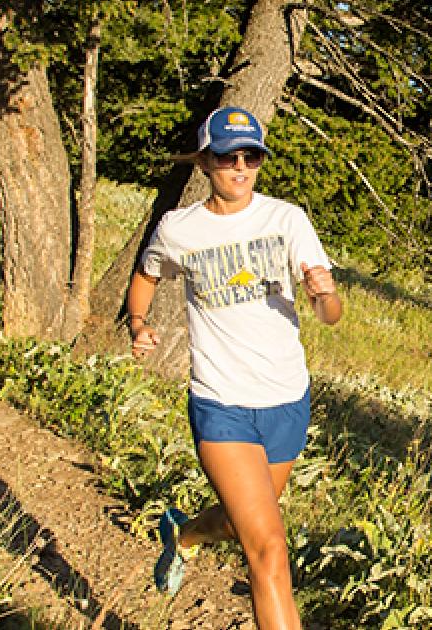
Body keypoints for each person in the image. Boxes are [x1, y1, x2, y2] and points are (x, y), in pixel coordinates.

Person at [127, 105, 341, 630]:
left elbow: (330, 315)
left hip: (287, 400)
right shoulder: (180, 229)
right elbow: (146, 275)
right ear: (206, 162)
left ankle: (182, 535)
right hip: (221, 403)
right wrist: (137, 322)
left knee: (238, 524)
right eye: (227, 156)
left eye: (251, 156)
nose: (240, 167)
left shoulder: (286, 219)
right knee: (268, 549)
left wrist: (324, 295)